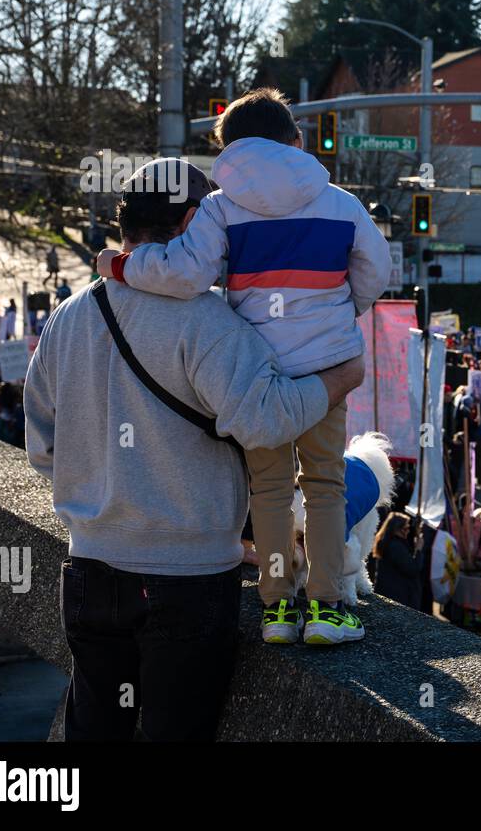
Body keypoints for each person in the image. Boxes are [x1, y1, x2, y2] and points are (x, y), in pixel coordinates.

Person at [23, 158, 365, 741]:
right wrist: (343, 376)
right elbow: (267, 420)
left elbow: (43, 447)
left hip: (89, 569)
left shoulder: (69, 317)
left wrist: (106, 498)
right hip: (186, 580)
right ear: (190, 224)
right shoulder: (207, 320)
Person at [96, 89, 391, 647]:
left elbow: (185, 275)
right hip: (326, 364)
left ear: (226, 148)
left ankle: (276, 608)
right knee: (325, 484)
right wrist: (335, 313)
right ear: (296, 142)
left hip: (257, 364)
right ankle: (327, 608)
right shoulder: (342, 204)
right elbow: (375, 271)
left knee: (270, 488)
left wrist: (122, 265)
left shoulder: (219, 208)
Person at [372, 511, 422, 609]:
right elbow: (413, 569)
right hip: (396, 596)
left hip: (392, 594)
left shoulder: (390, 542)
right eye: (406, 528)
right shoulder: (395, 546)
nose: (408, 531)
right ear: (397, 529)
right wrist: (419, 550)